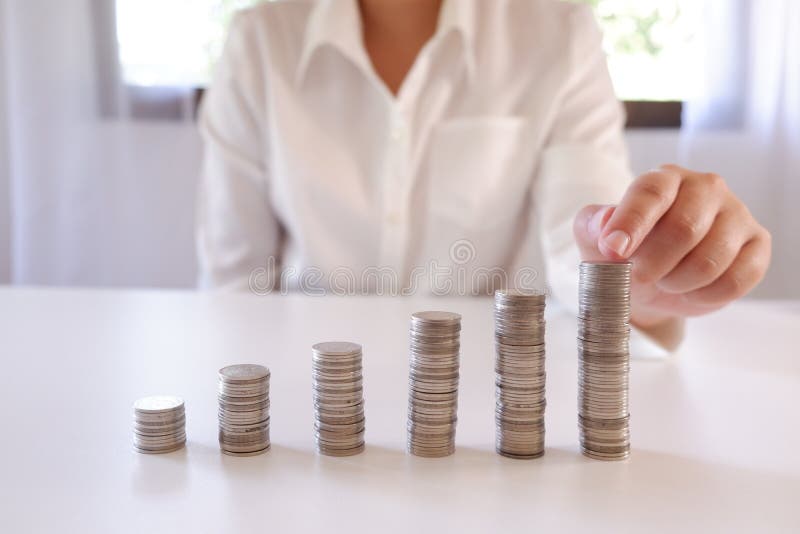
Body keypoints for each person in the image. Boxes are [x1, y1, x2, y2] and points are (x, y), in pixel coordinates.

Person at [196, 0, 771, 350]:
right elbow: (234, 286)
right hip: (305, 405)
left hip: (495, 417)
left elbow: (584, 243)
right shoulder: (258, 44)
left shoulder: (561, 36)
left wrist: (636, 282)